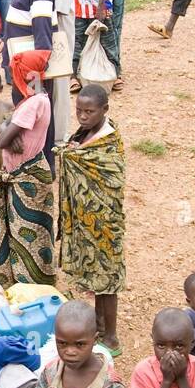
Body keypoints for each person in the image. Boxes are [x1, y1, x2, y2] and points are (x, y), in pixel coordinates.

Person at [58, 85, 125, 353]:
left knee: (108, 281)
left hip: (105, 222)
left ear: (104, 110)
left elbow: (112, 177)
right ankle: (98, 325)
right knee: (97, 279)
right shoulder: (88, 132)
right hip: (89, 219)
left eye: (89, 111)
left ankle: (111, 337)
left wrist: (74, 155)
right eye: (79, 111)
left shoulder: (108, 140)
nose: (83, 116)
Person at [0, 70, 54, 284]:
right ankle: (20, 282)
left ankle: (28, 286)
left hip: (26, 178)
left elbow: (0, 141)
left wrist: (6, 134)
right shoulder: (36, 98)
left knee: (27, 236)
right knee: (20, 232)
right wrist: (6, 129)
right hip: (22, 176)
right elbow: (7, 125)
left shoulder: (34, 102)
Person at [0, 0, 59, 126]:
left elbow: (43, 34)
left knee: (36, 116)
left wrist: (35, 74)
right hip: (22, 67)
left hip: (31, 70)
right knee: (26, 114)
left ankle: (43, 156)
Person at [31, 0, 76, 141]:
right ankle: (41, 134)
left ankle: (59, 136)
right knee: (39, 86)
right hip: (39, 35)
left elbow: (54, 12)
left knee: (59, 87)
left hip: (59, 36)